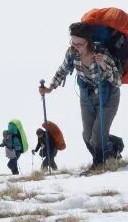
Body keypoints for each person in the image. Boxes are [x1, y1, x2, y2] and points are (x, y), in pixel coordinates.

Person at [40, 22, 122, 170]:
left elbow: (117, 81)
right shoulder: (72, 53)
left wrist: (103, 65)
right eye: (73, 42)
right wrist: (50, 88)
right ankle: (112, 146)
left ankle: (99, 165)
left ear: (88, 41)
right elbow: (63, 70)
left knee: (97, 136)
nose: (75, 46)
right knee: (87, 135)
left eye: (79, 44)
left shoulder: (101, 54)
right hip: (87, 96)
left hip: (109, 96)